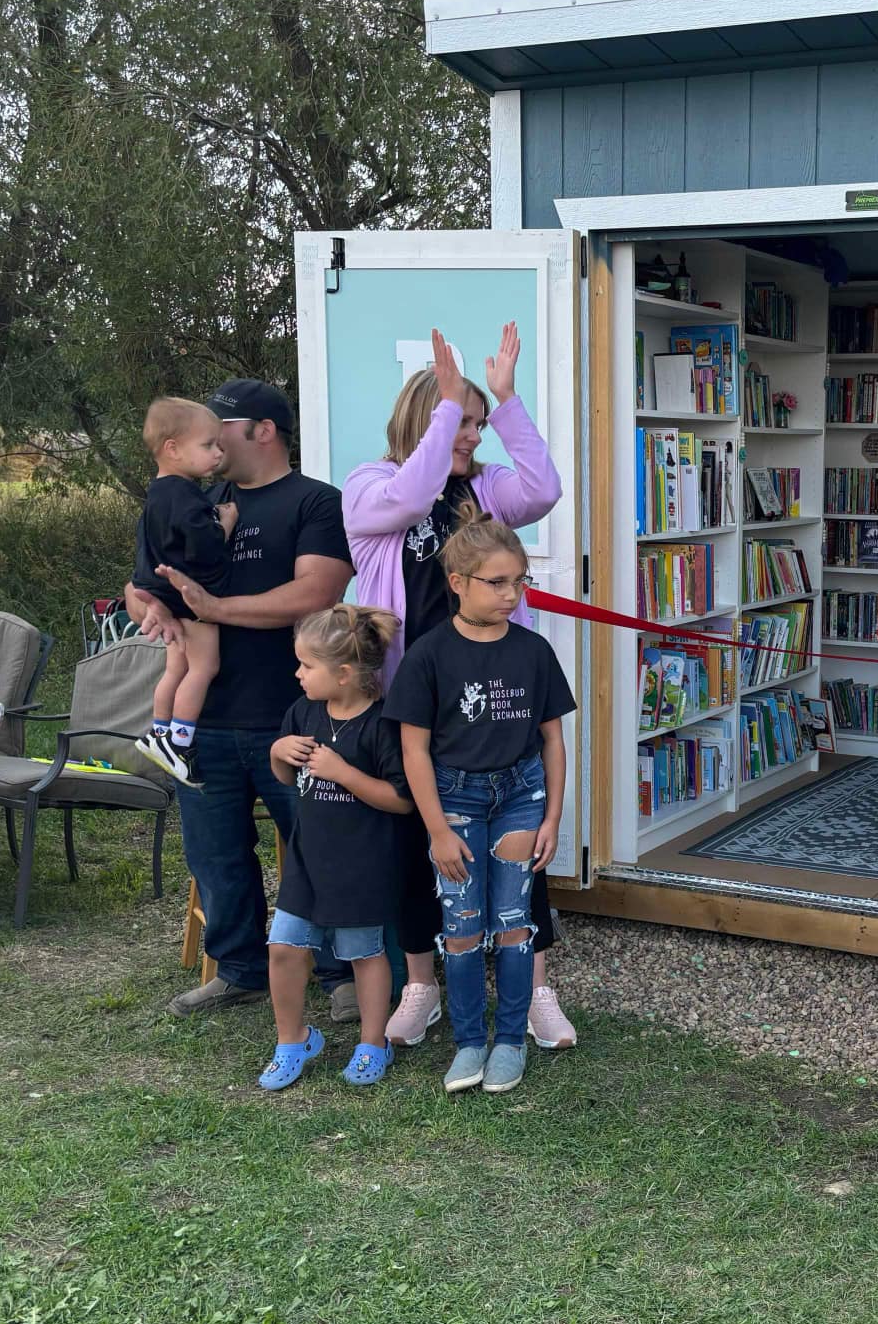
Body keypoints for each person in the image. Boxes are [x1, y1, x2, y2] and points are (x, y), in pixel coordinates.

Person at [342, 325, 578, 1051]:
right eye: (464, 420)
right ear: (428, 416)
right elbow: (412, 497)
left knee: (516, 835)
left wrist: (506, 400)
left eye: (477, 423)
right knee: (418, 841)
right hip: (413, 700)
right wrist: (446, 416)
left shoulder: (487, 491)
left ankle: (535, 987)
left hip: (496, 694)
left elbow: (543, 488)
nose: (474, 436)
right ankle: (422, 986)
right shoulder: (370, 485)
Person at [126, 379, 359, 1021]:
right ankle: (240, 969)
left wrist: (215, 608)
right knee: (215, 853)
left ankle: (343, 973)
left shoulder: (316, 502)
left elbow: (317, 592)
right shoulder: (188, 497)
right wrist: (150, 608)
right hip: (204, 722)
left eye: (219, 426)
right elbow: (139, 580)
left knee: (321, 846)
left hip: (296, 713)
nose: (209, 437)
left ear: (262, 430)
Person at [384, 503, 574, 1096]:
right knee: (462, 925)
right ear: (458, 583)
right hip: (454, 801)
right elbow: (414, 752)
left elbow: (552, 739)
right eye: (497, 583)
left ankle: (510, 1041)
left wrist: (552, 816)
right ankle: (469, 1041)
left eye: (519, 581)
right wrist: (437, 830)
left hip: (519, 795)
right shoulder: (428, 656)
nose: (511, 594)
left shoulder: (533, 651)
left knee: (515, 923)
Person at [260, 606, 413, 1090]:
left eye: (307, 665)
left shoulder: (383, 725)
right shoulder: (302, 712)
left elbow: (402, 800)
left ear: (344, 674)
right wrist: (276, 753)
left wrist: (343, 772)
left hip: (362, 865)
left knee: (364, 953)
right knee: (284, 946)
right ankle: (294, 1040)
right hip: (308, 861)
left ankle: (373, 1043)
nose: (297, 673)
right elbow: (288, 776)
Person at [131, 398, 235, 787]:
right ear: (172, 448)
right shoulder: (186, 495)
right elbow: (204, 545)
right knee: (204, 667)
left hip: (164, 595)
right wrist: (225, 523)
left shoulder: (156, 495)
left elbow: (147, 548)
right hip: (192, 599)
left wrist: (150, 595)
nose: (218, 454)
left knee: (176, 667)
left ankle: (159, 732)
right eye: (208, 445)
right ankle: (180, 741)